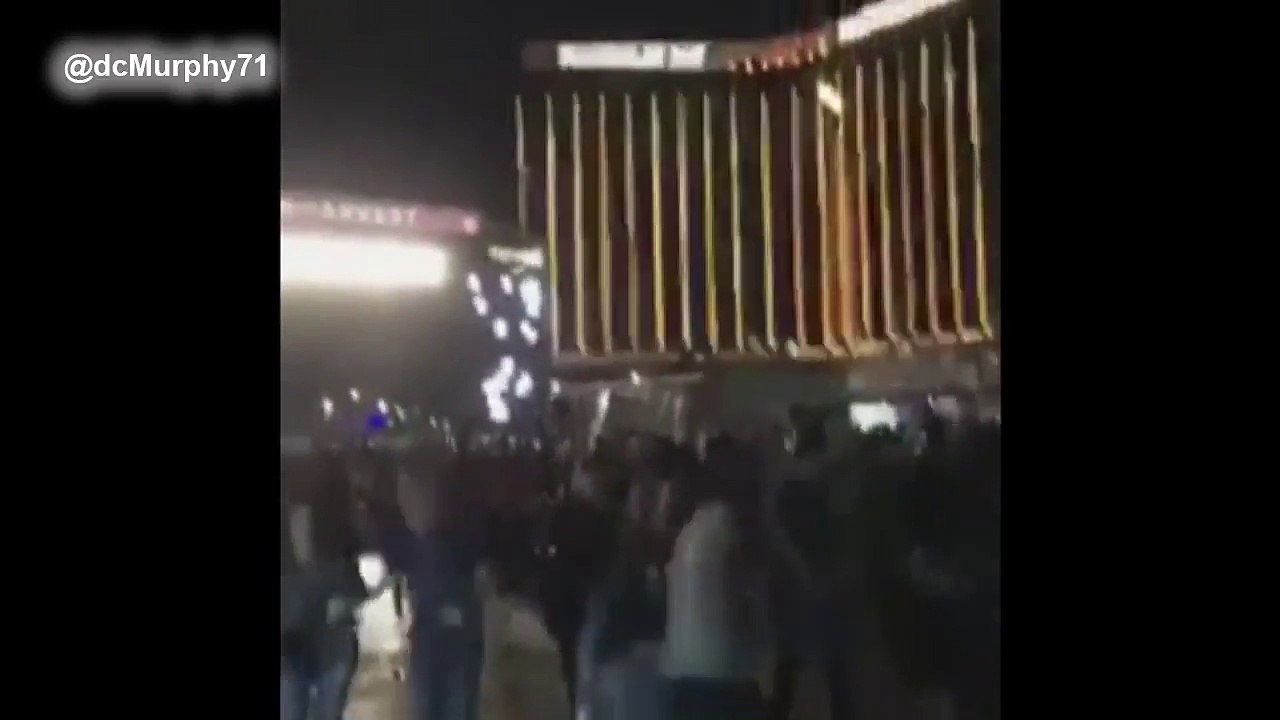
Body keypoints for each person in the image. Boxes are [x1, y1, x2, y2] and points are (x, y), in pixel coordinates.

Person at [363, 452, 486, 720]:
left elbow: (395, 548)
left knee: (434, 700)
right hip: (454, 631)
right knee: (454, 700)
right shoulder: (461, 538)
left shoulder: (429, 545)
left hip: (435, 633)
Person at [661, 436, 767, 720]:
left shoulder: (694, 525)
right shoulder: (735, 530)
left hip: (683, 666)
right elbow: (751, 602)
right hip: (723, 671)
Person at [280, 454, 367, 720]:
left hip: (326, 643)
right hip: (294, 646)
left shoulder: (335, 526)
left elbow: (355, 585)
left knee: (322, 709)